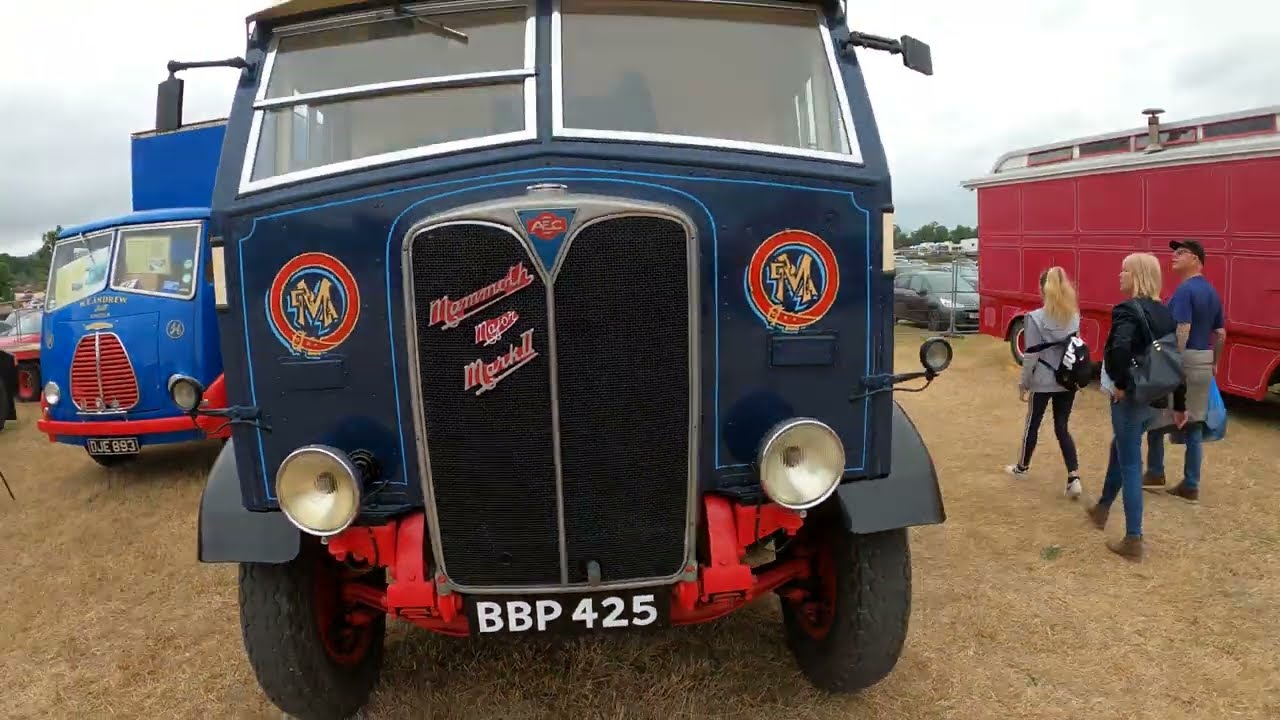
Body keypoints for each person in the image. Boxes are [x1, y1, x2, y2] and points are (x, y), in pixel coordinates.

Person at [1086, 252, 1187, 562]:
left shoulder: (1127, 310)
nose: (1119, 275)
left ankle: (1134, 539)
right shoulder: (1164, 313)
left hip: (1131, 398)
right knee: (1121, 447)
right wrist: (1180, 404)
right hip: (1155, 398)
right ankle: (1102, 508)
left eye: (1124, 271)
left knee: (1130, 462)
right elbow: (1175, 358)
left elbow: (1117, 351)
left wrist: (1120, 384)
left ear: (1138, 276)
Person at [1142, 239, 1224, 502]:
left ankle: (1155, 472)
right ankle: (1191, 484)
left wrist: (1171, 360)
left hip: (1183, 360)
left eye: (1181, 253)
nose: (1174, 256)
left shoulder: (1185, 291)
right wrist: (1215, 363)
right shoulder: (1211, 292)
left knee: (1155, 418)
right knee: (1195, 424)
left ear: (1197, 260)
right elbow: (1220, 333)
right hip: (1203, 360)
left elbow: (1183, 328)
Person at [1005, 267, 1082, 498]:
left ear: (1042, 289)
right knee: (1062, 428)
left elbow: (1031, 356)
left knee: (1033, 424)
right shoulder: (1074, 315)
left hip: (1042, 379)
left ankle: (1022, 467)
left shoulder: (1034, 318)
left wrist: (1023, 383)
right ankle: (1074, 477)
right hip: (1067, 380)